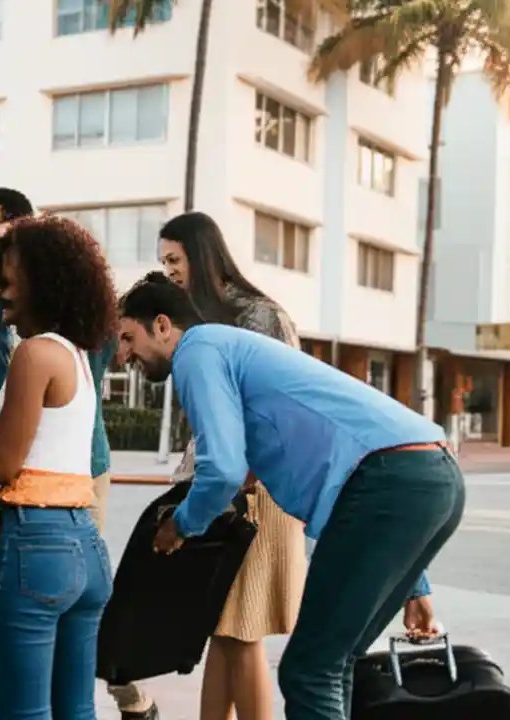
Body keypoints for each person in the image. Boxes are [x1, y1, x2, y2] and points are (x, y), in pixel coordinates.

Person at [117, 272, 461, 720]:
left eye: (127, 337)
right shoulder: (233, 349)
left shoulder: (196, 352)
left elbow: (219, 468)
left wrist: (180, 525)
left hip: (388, 485)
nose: (123, 355)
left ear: (162, 325)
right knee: (333, 663)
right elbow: (242, 464)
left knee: (307, 671)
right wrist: (415, 585)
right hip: (435, 476)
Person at [0, 189, 154, 720]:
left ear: (44, 280)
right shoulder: (76, 355)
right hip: (84, 548)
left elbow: (1, 465)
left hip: (32, 549)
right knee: (75, 711)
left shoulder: (35, 355)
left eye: (9, 275)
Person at [156, 212, 307, 720]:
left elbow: (282, 409)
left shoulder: (260, 315)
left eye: (175, 259)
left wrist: (235, 479)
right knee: (222, 632)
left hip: (254, 487)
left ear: (202, 255)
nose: (170, 271)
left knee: (241, 635)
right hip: (226, 487)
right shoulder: (203, 321)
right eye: (164, 262)